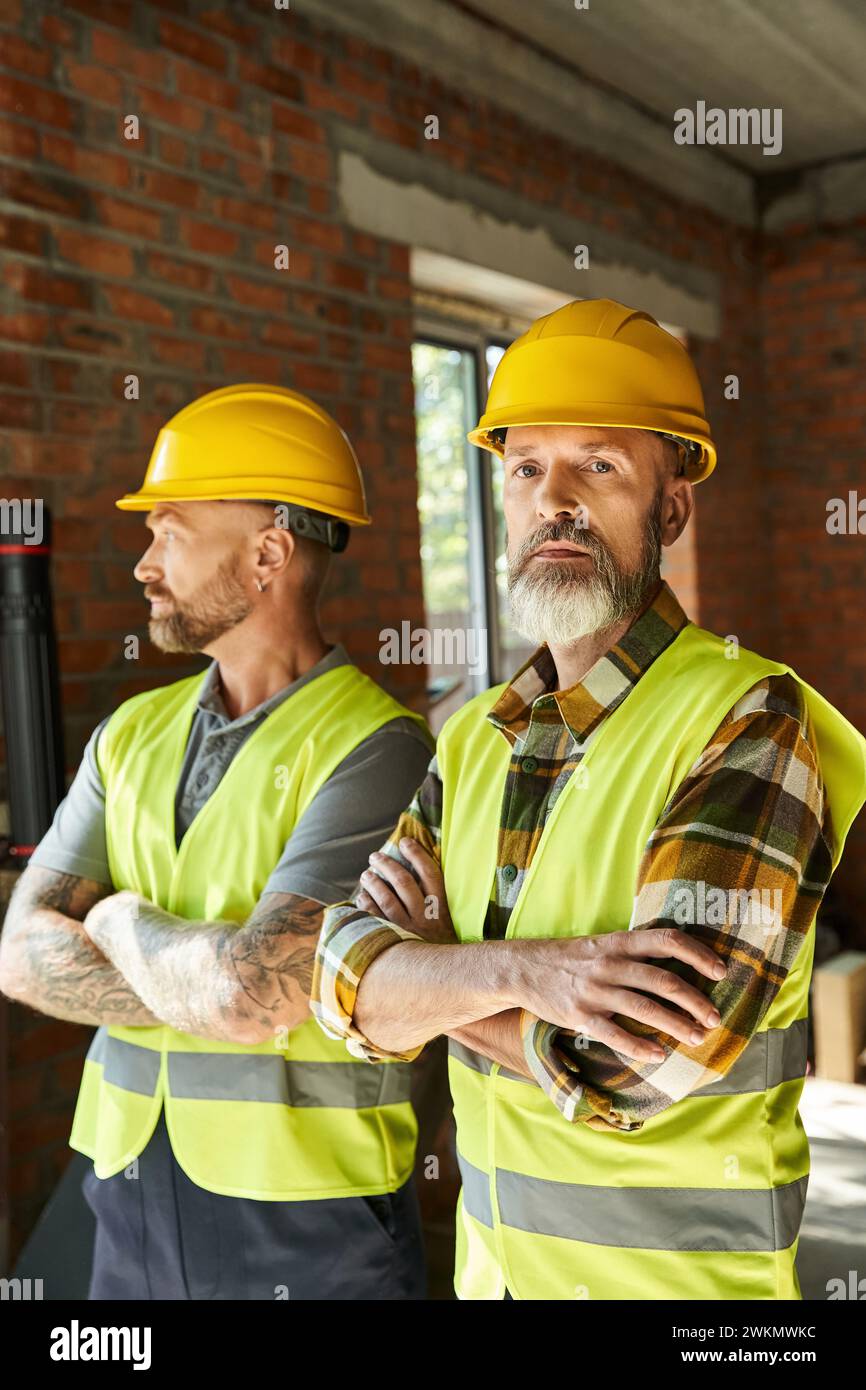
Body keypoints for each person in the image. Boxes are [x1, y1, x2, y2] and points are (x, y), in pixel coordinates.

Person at [312, 299, 866, 1300]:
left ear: (670, 510)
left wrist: (436, 972)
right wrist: (537, 976)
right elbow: (341, 989)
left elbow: (634, 1071)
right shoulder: (476, 735)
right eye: (524, 468)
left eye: (596, 466)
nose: (550, 499)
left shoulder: (745, 721)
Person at [0, 384, 434, 1300]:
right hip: (127, 1195)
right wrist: (212, 975)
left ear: (268, 553)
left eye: (169, 532)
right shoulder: (131, 732)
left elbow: (252, 994)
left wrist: (114, 918)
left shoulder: (379, 747)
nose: (143, 566)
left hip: (309, 1214)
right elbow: (20, 955)